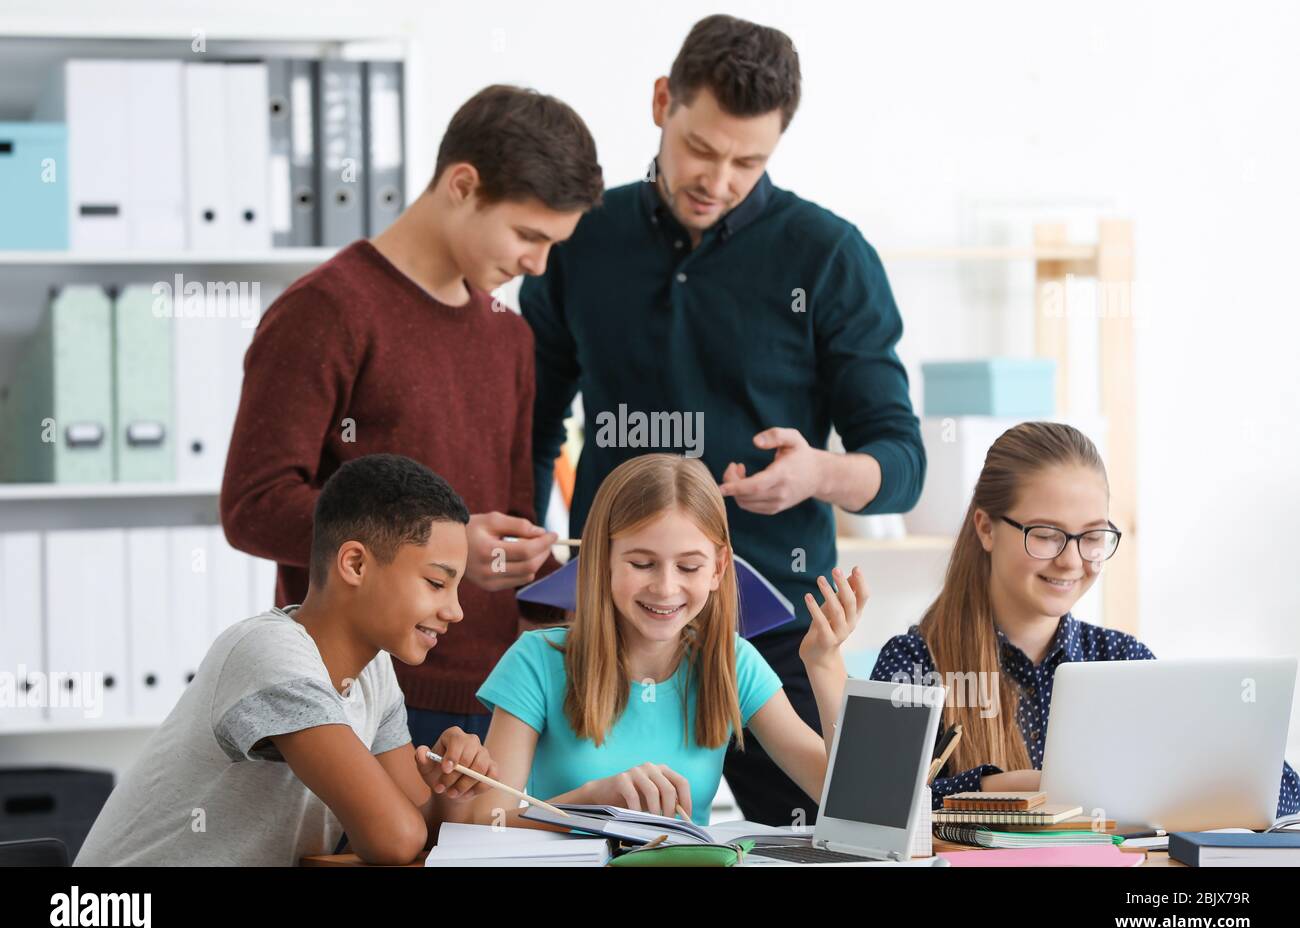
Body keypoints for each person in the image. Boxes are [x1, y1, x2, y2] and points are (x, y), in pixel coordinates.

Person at [520, 15, 923, 825]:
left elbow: (901, 463)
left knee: (844, 832)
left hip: (774, 620)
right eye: (702, 149)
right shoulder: (581, 240)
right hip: (615, 623)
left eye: (750, 161)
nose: (719, 179)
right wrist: (533, 584)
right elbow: (530, 424)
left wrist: (821, 473)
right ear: (663, 102)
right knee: (603, 837)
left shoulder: (827, 255)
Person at [222, 85, 603, 748]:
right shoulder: (324, 311)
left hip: (494, 701)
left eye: (554, 246)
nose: (537, 265)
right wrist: (439, 546)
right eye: (527, 235)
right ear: (462, 184)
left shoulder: (508, 337)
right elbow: (253, 507)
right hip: (355, 701)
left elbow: (509, 518)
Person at [76, 455, 499, 866]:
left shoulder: (375, 672)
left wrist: (448, 786)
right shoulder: (272, 654)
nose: (455, 611)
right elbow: (395, 839)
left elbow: (423, 831)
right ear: (354, 564)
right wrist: (415, 824)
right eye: (436, 583)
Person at [870, 421, 1300, 815]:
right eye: (1046, 535)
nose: (1072, 560)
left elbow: (1279, 794)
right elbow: (876, 807)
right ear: (986, 528)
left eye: (1093, 536)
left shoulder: (1124, 661)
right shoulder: (914, 664)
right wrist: (987, 787)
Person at [466, 453, 868, 827]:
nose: (665, 587)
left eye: (689, 566)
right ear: (601, 560)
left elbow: (853, 806)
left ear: (718, 568)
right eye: (642, 564)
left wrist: (824, 663)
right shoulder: (536, 661)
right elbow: (488, 821)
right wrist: (589, 803)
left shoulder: (733, 661)